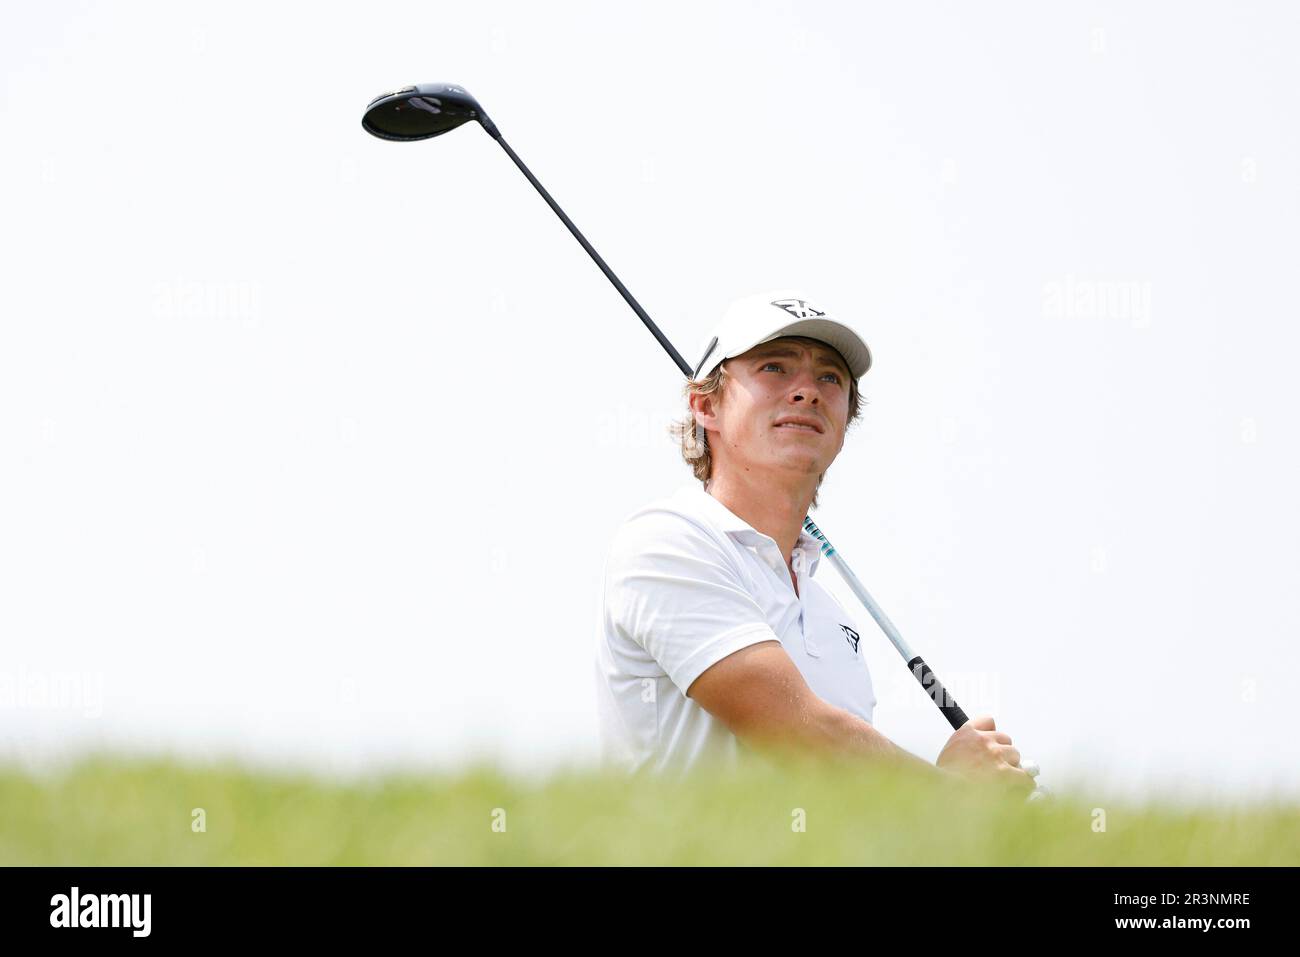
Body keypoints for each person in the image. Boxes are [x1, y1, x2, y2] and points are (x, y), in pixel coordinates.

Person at [594, 290, 1034, 795]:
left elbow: (844, 796)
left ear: (847, 419)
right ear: (704, 406)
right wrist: (952, 792)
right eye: (775, 369)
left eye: (830, 377)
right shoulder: (667, 542)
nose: (807, 391)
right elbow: (798, 733)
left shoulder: (831, 616)